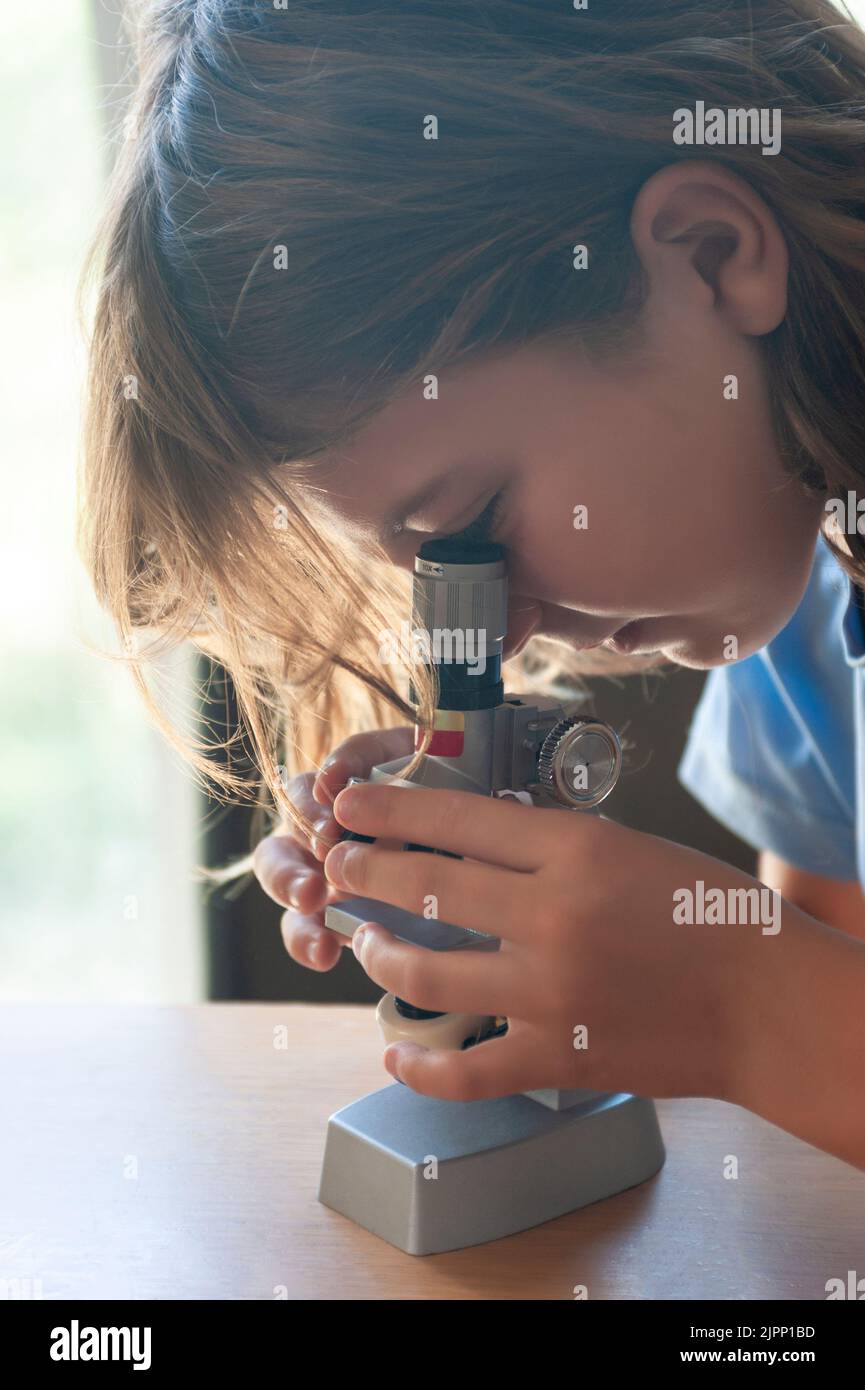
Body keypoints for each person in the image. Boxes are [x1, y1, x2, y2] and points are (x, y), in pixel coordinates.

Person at [80, 0, 865, 1167]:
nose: (493, 638)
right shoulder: (797, 584)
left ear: (710, 253)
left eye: (475, 523)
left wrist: (737, 1002)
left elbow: (791, 1009)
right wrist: (550, 901)